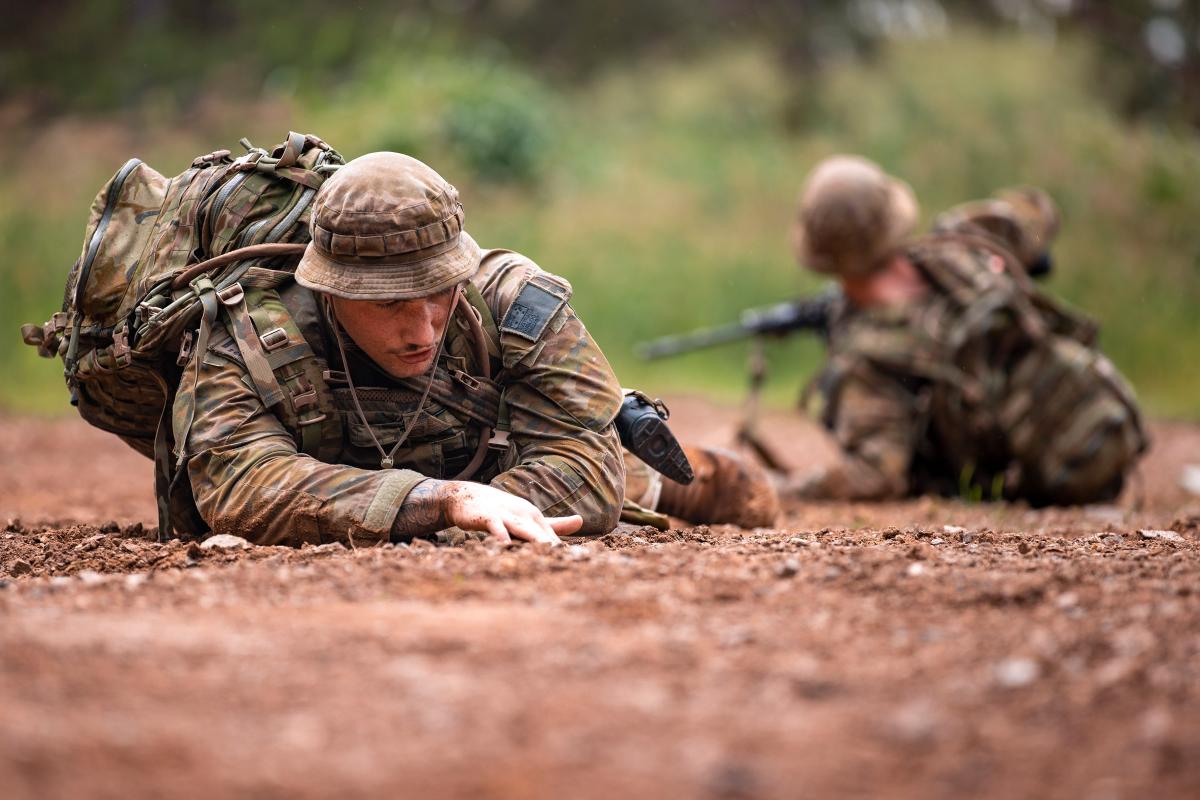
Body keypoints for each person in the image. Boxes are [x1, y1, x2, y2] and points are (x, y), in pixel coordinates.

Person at [173, 152, 778, 547]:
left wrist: (483, 509)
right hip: (453, 489)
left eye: (438, 293)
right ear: (330, 288)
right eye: (389, 304)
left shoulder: (514, 305)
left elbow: (589, 467)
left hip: (510, 463)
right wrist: (438, 502)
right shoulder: (251, 335)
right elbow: (239, 484)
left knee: (737, 492)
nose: (424, 330)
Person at [786, 155, 1147, 505]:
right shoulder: (967, 243)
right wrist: (1010, 265)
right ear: (892, 218)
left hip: (1053, 482)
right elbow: (1040, 211)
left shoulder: (868, 356)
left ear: (823, 254)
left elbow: (878, 473)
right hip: (1112, 419)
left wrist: (795, 487)